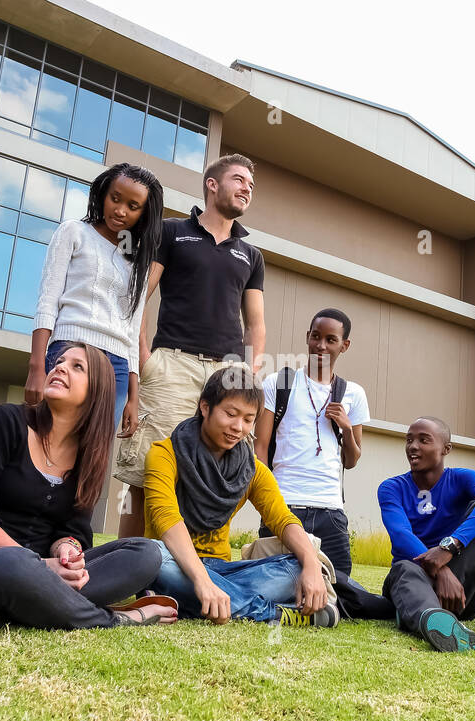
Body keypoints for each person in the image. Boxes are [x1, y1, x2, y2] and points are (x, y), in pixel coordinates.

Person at [0, 343, 176, 631]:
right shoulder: (2, 422)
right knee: (15, 565)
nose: (60, 367)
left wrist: (67, 552)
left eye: (77, 367)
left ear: (96, 392)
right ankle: (115, 619)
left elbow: (73, 530)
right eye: (60, 361)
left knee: (146, 553)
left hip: (46, 571)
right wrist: (38, 566)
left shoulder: (88, 458)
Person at [114, 154, 266, 538]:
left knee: (217, 476)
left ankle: (197, 570)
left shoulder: (251, 255)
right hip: (171, 365)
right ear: (212, 184)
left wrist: (248, 372)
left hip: (227, 373)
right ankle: (125, 574)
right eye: (238, 179)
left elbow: (256, 323)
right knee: (147, 474)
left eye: (251, 183)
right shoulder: (170, 232)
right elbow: (139, 296)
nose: (247, 187)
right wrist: (144, 357)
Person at [143, 366, 338, 627]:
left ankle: (198, 601)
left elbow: (282, 519)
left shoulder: (252, 470)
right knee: (152, 558)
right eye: (230, 414)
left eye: (248, 419)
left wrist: (311, 565)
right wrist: (202, 581)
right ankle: (276, 614)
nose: (238, 427)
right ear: (205, 407)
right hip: (172, 563)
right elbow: (165, 518)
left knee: (296, 568)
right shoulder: (164, 454)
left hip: (224, 572)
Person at [254, 308, 392, 619]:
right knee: (277, 580)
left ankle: (325, 608)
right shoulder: (280, 383)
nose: (321, 345)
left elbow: (352, 459)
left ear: (344, 346)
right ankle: (306, 610)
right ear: (307, 337)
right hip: (285, 504)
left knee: (338, 585)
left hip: (330, 511)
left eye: (331, 339)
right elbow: (260, 447)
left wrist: (345, 425)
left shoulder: (353, 394)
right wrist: (266, 500)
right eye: (316, 337)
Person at [25, 163, 164, 439]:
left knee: (94, 456)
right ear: (103, 194)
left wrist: (133, 398)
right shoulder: (73, 232)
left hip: (117, 369)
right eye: (115, 198)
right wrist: (36, 366)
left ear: (144, 213)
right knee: (49, 442)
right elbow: (47, 302)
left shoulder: (139, 261)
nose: (120, 210)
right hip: (68, 351)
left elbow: (132, 330)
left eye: (133, 206)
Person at [378, 417, 475, 651]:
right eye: (409, 440)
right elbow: (400, 535)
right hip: (413, 580)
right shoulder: (392, 487)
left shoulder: (462, 479)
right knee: (404, 567)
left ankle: (413, 614)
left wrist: (448, 548)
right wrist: (439, 569)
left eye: (424, 440)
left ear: (446, 449)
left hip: (457, 594)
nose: (413, 446)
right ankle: (432, 620)